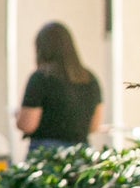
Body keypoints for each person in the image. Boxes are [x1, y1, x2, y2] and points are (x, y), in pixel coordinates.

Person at [16, 21, 102, 151]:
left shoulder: (41, 78)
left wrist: (17, 115)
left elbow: (28, 125)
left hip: (47, 153)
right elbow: (94, 125)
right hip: (82, 153)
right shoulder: (89, 78)